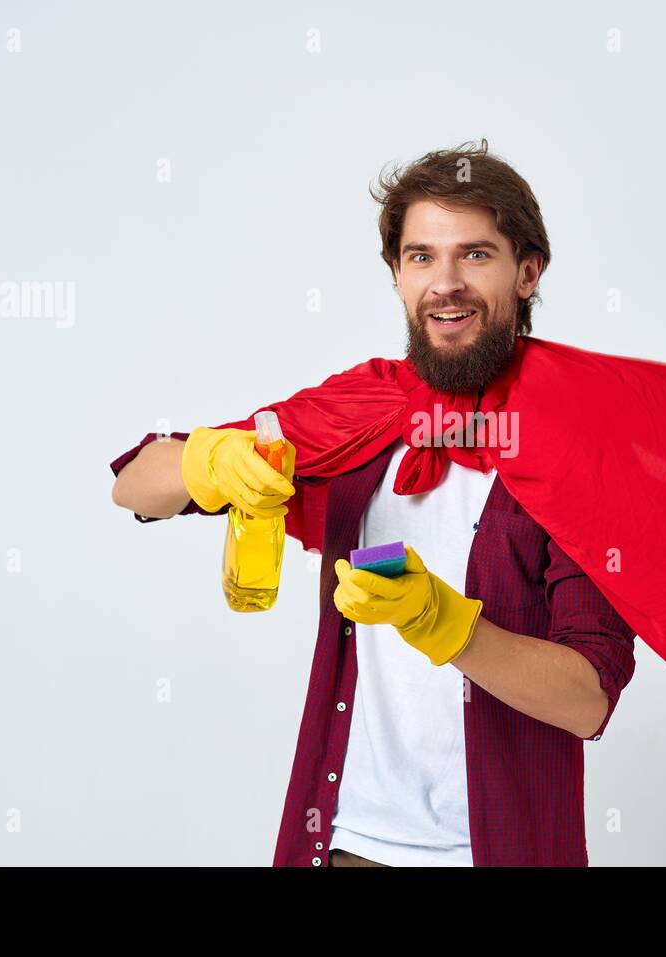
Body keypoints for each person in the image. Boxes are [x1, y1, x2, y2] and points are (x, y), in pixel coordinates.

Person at [110, 140, 637, 867]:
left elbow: (587, 699)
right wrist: (213, 461)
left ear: (528, 271)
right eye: (421, 256)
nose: (444, 282)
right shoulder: (360, 411)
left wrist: (445, 621)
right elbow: (136, 481)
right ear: (395, 274)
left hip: (497, 849)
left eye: (475, 254)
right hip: (346, 845)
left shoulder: (576, 447)